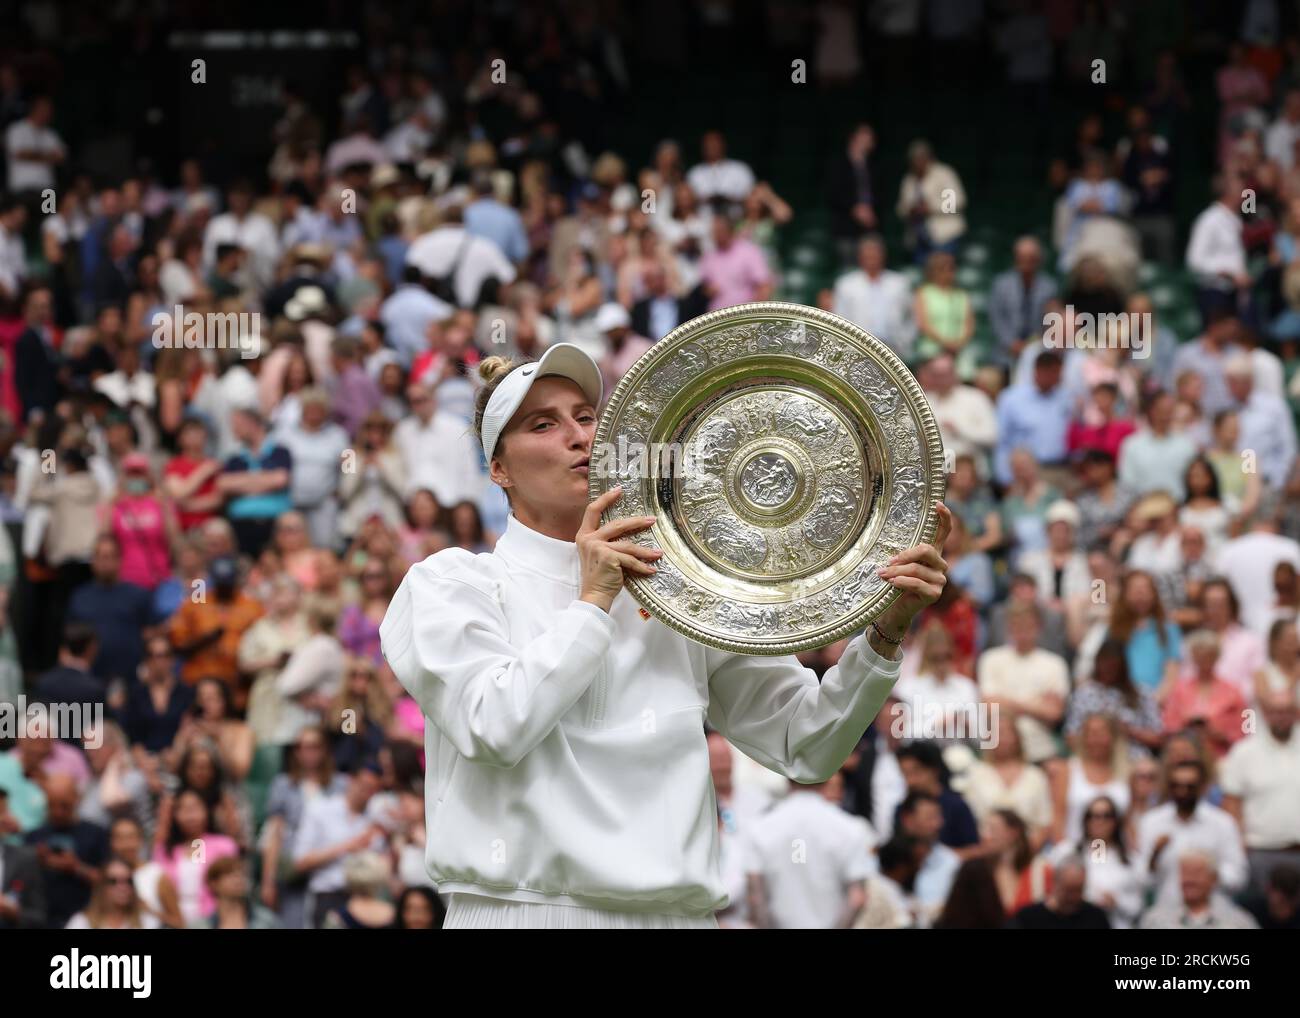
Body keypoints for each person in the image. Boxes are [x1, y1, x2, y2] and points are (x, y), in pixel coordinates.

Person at [378, 342, 952, 928]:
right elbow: (494, 725)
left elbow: (804, 743)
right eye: (542, 425)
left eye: (586, 416)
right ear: (497, 468)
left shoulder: (686, 589)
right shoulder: (448, 583)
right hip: (520, 911)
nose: (578, 436)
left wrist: (888, 627)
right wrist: (595, 599)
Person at [745, 776, 877, 929]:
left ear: (787, 779)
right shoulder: (851, 828)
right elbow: (857, 897)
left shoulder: (760, 828)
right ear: (827, 778)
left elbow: (755, 897)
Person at [1136, 758, 1248, 907]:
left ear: (1203, 787)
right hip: (1167, 915)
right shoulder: (1151, 822)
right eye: (1177, 786)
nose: (1183, 792)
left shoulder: (1222, 823)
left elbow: (1238, 877)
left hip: (1214, 916)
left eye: (1190, 786)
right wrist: (1155, 856)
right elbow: (1141, 880)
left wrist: (1209, 873)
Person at [1219, 690, 1300, 894]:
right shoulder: (1244, 752)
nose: (1281, 717)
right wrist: (1238, 850)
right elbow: (1231, 806)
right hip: (1261, 854)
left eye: (1287, 711)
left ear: (1296, 712)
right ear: (1265, 714)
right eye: (1276, 711)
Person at [23, 774, 109, 929]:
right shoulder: (33, 837)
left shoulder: (97, 834)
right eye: (52, 805)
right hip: (43, 920)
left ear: (76, 799)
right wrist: (34, 863)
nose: (57, 812)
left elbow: (110, 883)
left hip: (86, 919)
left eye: (64, 805)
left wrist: (76, 868)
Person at [831, 236, 915, 361]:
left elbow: (912, 316)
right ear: (860, 258)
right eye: (867, 256)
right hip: (858, 347)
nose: (871, 259)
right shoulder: (846, 284)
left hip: (894, 348)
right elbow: (838, 317)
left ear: (883, 256)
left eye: (875, 255)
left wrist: (905, 341)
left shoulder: (899, 282)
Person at [1138, 849, 1260, 929]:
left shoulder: (1239, 922)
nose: (1189, 880)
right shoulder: (1154, 920)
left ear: (1213, 879)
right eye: (1185, 873)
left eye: (1196, 873)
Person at [1006, 856, 1111, 929]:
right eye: (1068, 890)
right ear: (1055, 883)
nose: (1073, 897)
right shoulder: (1028, 918)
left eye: (1078, 890)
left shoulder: (1095, 917)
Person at [64, 857, 161, 929]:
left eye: (128, 881)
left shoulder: (147, 922)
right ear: (101, 887)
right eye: (113, 881)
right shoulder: (81, 923)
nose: (122, 887)